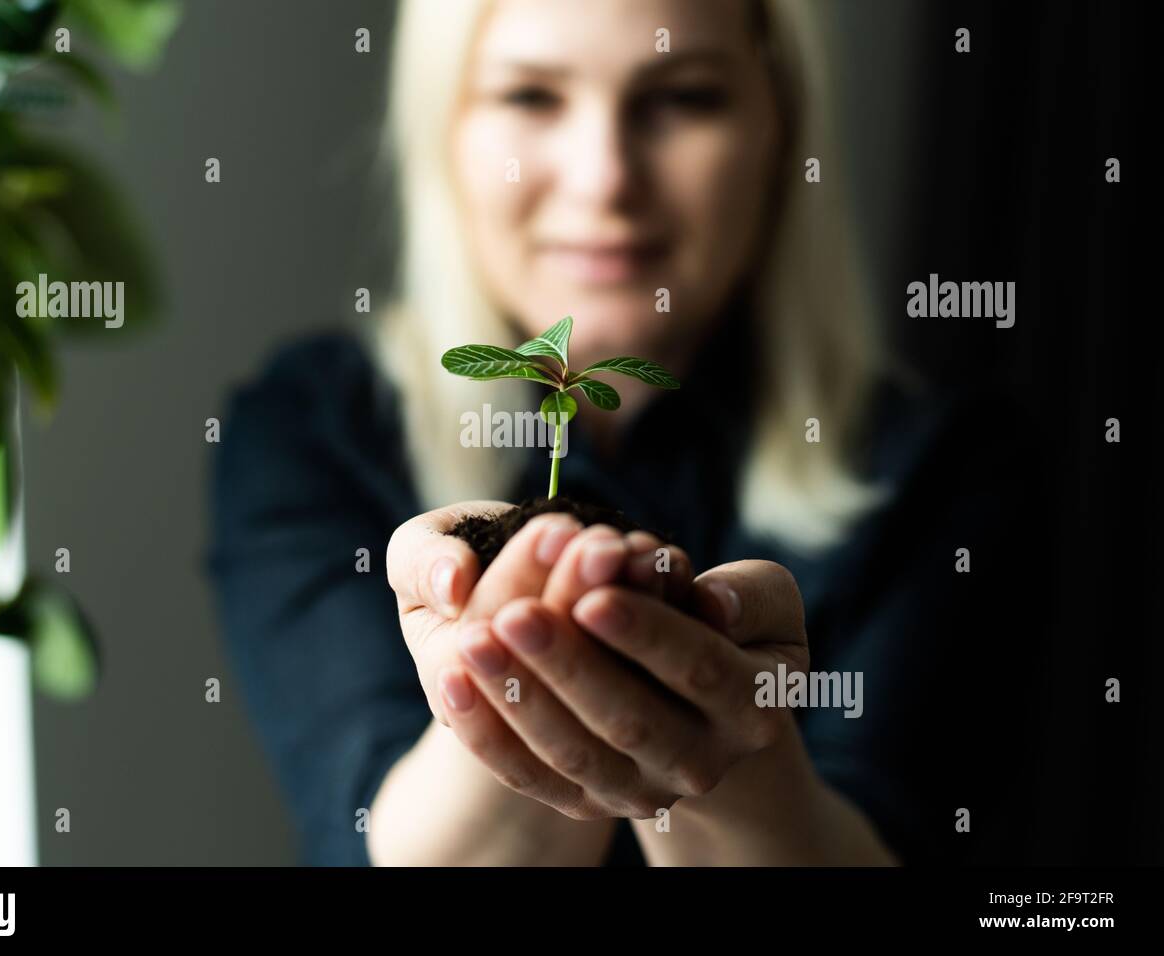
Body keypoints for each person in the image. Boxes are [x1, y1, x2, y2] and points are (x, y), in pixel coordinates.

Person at [208, 0, 1040, 866]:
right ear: (444, 127)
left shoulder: (946, 465)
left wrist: (729, 752)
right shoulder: (316, 428)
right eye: (530, 96)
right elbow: (368, 830)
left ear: (780, 129)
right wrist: (516, 675)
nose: (605, 176)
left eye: (682, 97)